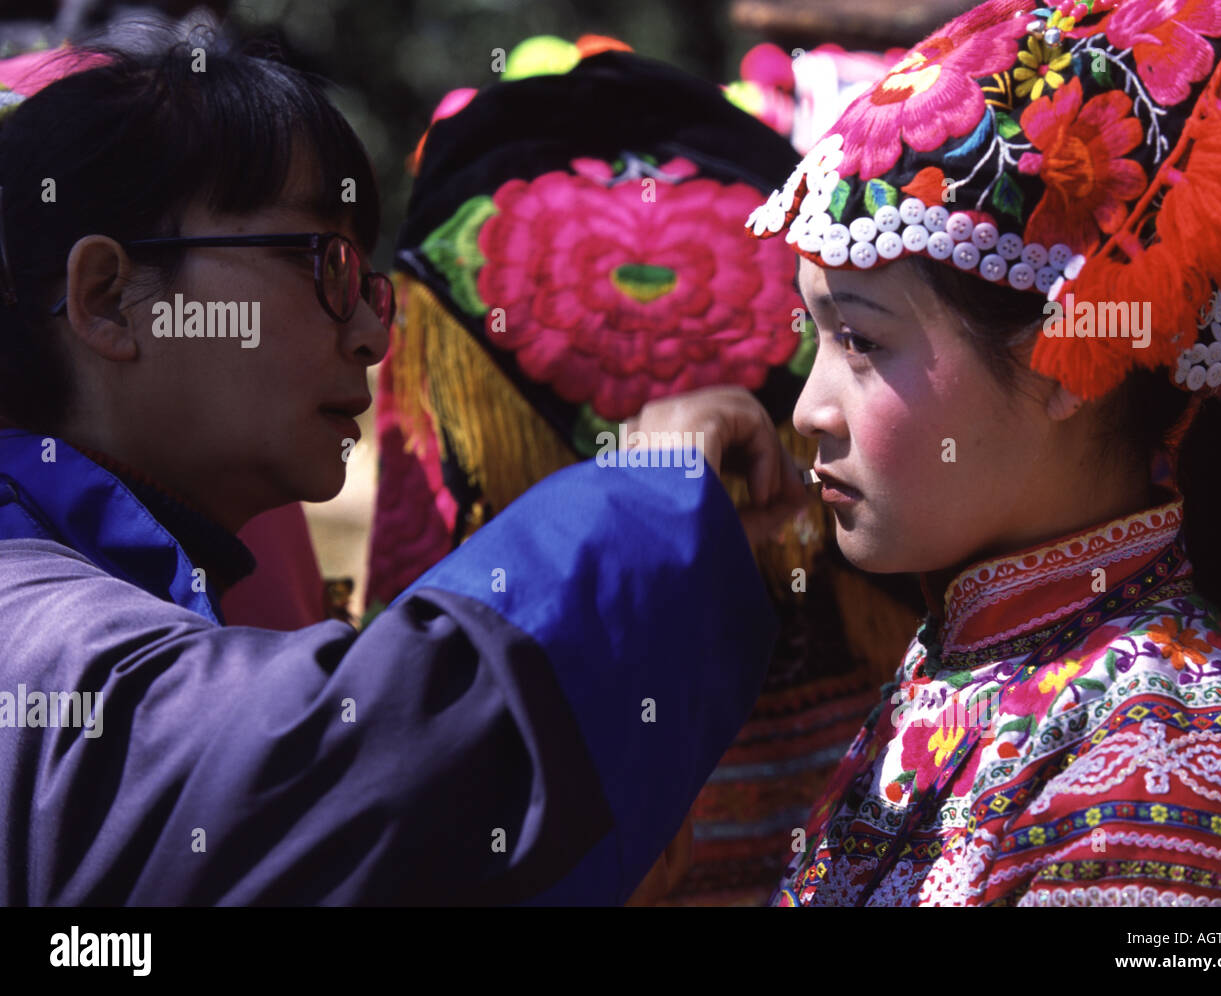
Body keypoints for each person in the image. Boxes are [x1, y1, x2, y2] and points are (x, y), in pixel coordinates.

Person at [0, 38, 805, 905]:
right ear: (109, 297)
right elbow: (342, 775)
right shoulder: (29, 623)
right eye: (325, 265)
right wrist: (649, 510)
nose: (374, 339)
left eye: (370, 283)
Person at [744, 0, 1221, 905]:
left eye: (863, 342)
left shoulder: (1163, 760)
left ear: (1068, 358)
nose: (808, 409)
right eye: (817, 338)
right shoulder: (969, 658)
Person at [364, 42, 925, 904]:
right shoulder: (762, 201)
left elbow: (419, 541)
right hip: (811, 692)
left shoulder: (461, 246)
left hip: (536, 664)